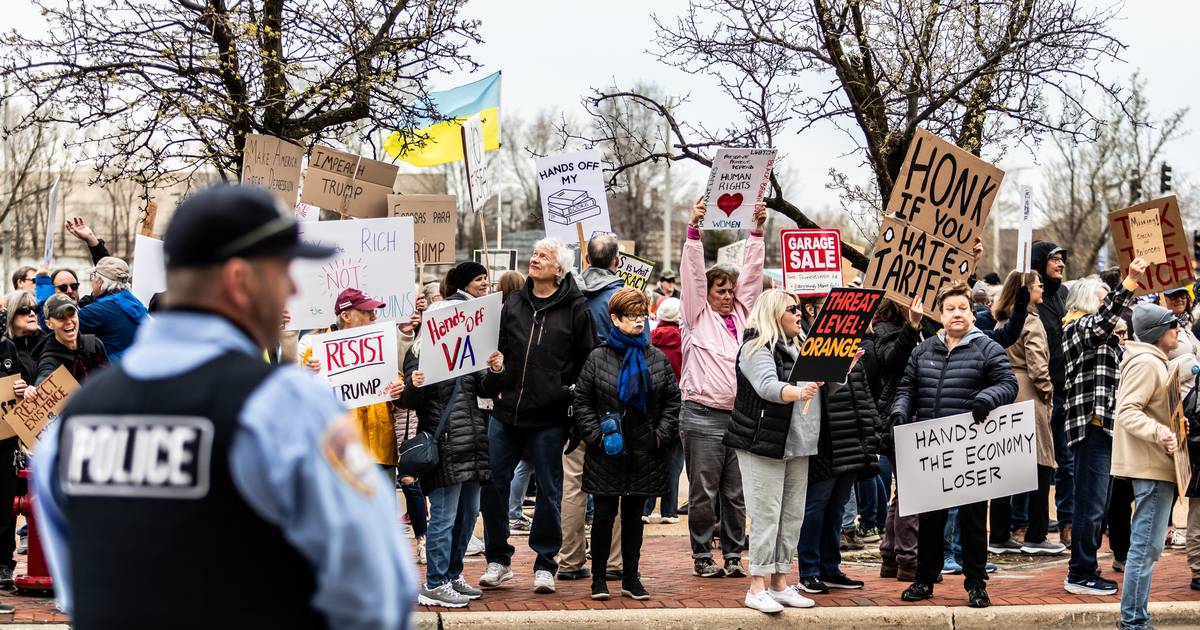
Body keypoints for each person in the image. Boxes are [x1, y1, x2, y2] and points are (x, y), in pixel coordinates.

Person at [34, 184, 415, 628]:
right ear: (240, 279)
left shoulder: (75, 424)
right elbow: (377, 591)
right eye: (283, 271)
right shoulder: (283, 406)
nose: (292, 288)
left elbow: (78, 587)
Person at [891, 283, 1018, 608]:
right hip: (932, 450)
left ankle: (976, 584)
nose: (957, 313)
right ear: (942, 314)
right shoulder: (924, 350)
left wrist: (986, 399)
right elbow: (908, 386)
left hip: (970, 452)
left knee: (973, 521)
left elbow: (1008, 383)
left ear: (971, 313)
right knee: (930, 521)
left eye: (962, 308)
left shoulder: (986, 348)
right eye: (950, 309)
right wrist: (900, 411)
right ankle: (924, 580)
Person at [483, 237, 595, 594]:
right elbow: (496, 349)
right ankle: (498, 560)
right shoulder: (513, 302)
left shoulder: (576, 309)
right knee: (493, 484)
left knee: (549, 491)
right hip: (506, 411)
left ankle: (545, 563)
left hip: (548, 416)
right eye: (534, 254)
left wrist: (567, 395)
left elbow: (585, 361)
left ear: (558, 270)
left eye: (544, 256)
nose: (535, 259)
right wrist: (497, 371)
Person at [572, 288, 680, 601]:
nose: (638, 321)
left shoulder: (655, 357)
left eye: (642, 315)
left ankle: (631, 577)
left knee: (634, 519)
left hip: (645, 450)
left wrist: (660, 434)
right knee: (604, 516)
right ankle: (598, 579)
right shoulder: (598, 357)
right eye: (631, 316)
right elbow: (582, 401)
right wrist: (595, 436)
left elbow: (672, 400)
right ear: (615, 319)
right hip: (607, 451)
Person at [723, 289, 826, 613]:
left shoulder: (801, 344)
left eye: (798, 309)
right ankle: (757, 587)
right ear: (773, 313)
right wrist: (796, 391)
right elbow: (767, 386)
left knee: (791, 516)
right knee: (766, 515)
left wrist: (840, 368)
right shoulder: (756, 348)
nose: (800, 313)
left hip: (799, 443)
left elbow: (821, 386)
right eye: (792, 309)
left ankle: (780, 583)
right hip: (763, 444)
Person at [679, 198, 766, 578]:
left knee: (736, 493)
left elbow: (752, 277)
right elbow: (694, 278)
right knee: (703, 493)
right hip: (701, 417)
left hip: (740, 418)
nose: (728, 295)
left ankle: (733, 554)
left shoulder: (745, 318)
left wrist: (758, 232)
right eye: (720, 289)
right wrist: (693, 232)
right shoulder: (695, 317)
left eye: (731, 290)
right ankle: (702, 553)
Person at [403, 301, 505, 608]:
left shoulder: (467, 351)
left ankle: (452, 574)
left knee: (467, 515)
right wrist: (414, 383)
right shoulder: (420, 351)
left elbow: (484, 389)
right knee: (444, 517)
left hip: (472, 443)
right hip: (446, 443)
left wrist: (497, 369)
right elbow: (410, 400)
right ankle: (434, 582)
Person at [1060, 261, 1145, 596]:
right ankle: (1081, 572)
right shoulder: (1076, 328)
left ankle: (1085, 568)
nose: (1109, 302)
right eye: (1103, 297)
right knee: (1090, 506)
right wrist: (1130, 282)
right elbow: (1105, 320)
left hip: (1105, 428)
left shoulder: (1098, 332)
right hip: (1091, 428)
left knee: (1098, 506)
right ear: (1086, 302)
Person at [558, 233, 628, 583]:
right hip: (612, 399)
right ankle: (614, 560)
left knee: (573, 482)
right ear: (617, 260)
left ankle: (570, 560)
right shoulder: (621, 298)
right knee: (613, 479)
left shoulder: (570, 297)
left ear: (587, 259)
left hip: (574, 398)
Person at [1112, 303, 1183, 630]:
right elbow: (1127, 411)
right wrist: (1162, 432)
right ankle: (1134, 622)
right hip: (1151, 466)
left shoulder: (1154, 362)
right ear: (1157, 333)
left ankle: (1135, 619)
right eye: (1171, 326)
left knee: (1147, 548)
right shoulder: (1146, 364)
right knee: (1144, 549)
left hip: (1155, 464)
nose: (1177, 329)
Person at [986, 271, 1063, 555]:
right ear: (1026, 291)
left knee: (1005, 464)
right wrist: (1047, 392)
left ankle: (999, 533)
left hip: (1005, 392)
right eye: (1038, 284)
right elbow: (1038, 363)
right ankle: (1036, 533)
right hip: (1028, 392)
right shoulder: (1030, 322)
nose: (1042, 288)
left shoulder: (1001, 320)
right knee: (1042, 463)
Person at [796, 330, 877, 596]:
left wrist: (870, 434)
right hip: (826, 443)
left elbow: (864, 396)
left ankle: (830, 567)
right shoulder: (814, 348)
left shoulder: (855, 352)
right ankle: (809, 570)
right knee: (816, 507)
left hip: (851, 441)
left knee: (836, 508)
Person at [864, 297, 925, 582]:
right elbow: (892, 359)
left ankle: (891, 557)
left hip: (911, 415)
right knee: (913, 494)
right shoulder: (885, 329)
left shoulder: (923, 325)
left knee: (904, 494)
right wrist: (911, 327)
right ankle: (909, 561)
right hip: (898, 418)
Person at [1031, 241, 1073, 544]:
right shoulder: (1030, 299)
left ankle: (1067, 522)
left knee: (1066, 462)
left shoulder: (1064, 296)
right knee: (1039, 465)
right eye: (1053, 259)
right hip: (1041, 393)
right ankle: (1030, 526)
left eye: (1062, 259)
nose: (1059, 264)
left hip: (1065, 391)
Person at [644, 297, 683, 523]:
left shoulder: (648, 340)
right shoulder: (686, 343)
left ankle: (646, 508)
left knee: (651, 460)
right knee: (674, 463)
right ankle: (669, 511)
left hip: (652, 408)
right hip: (677, 407)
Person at [77, 256, 149, 361]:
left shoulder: (95, 311)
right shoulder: (132, 302)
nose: (91, 281)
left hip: (110, 373)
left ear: (100, 281)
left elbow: (54, 328)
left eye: (93, 276)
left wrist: (44, 283)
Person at [35, 294, 108, 385]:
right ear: (49, 324)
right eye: (61, 317)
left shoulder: (93, 343)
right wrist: (36, 389)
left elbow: (109, 378)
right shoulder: (49, 358)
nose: (69, 321)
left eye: (72, 315)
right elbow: (44, 377)